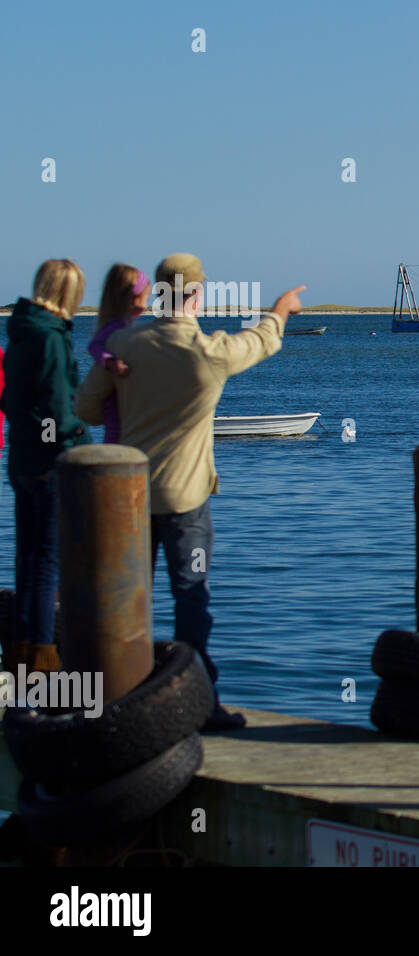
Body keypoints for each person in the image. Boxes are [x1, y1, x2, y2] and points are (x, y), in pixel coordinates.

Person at [75, 254, 305, 731]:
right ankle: (197, 702)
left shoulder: (122, 343)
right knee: (191, 599)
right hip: (185, 499)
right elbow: (259, 343)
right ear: (198, 295)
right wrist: (280, 310)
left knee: (128, 598)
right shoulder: (209, 353)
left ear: (159, 293)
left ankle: (119, 700)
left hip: (127, 499)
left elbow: (86, 409)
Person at [2, 259, 92, 674]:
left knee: (27, 559)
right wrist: (83, 440)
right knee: (48, 565)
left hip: (21, 459)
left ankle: (20, 651)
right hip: (51, 465)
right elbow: (59, 410)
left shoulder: (19, 332)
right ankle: (42, 662)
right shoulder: (52, 339)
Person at [87, 264, 148, 443]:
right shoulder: (116, 328)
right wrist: (111, 362)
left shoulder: (121, 327)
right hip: (119, 413)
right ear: (132, 298)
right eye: (145, 297)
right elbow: (94, 345)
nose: (146, 304)